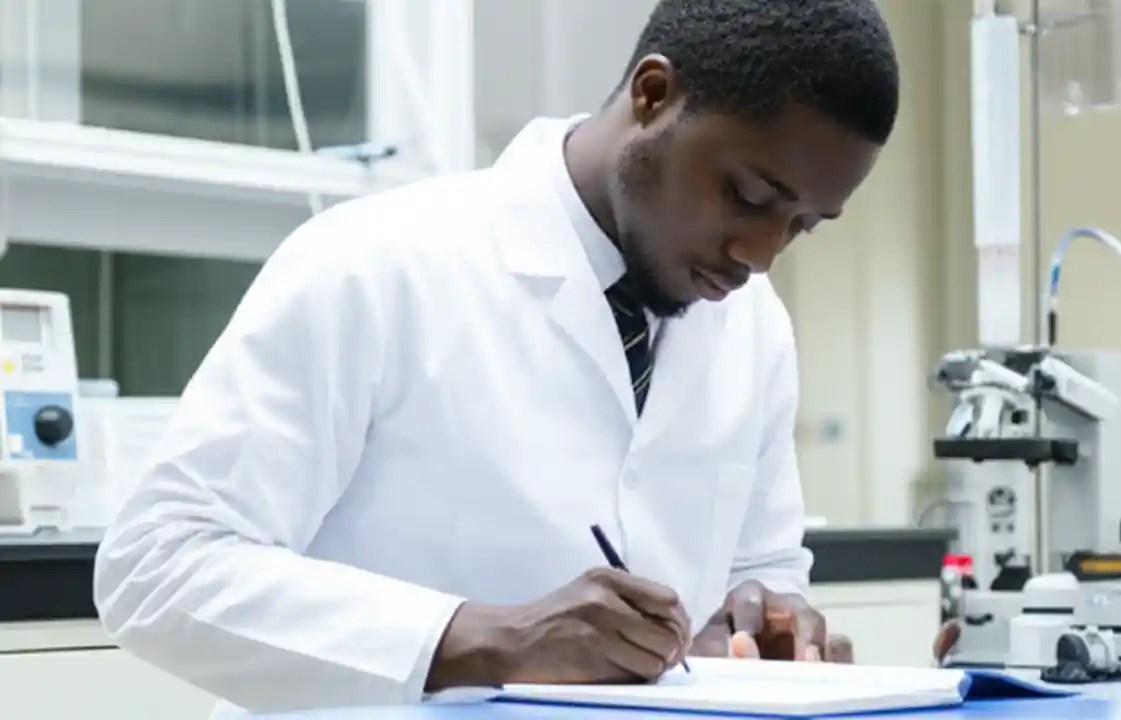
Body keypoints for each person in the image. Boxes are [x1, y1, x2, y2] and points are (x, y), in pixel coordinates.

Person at [94, 0, 946, 715]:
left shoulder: (753, 327)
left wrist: (758, 618)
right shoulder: (376, 262)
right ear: (654, 95)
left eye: (801, 225)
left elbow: (758, 566)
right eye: (750, 196)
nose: (760, 255)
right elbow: (155, 568)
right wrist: (484, 637)